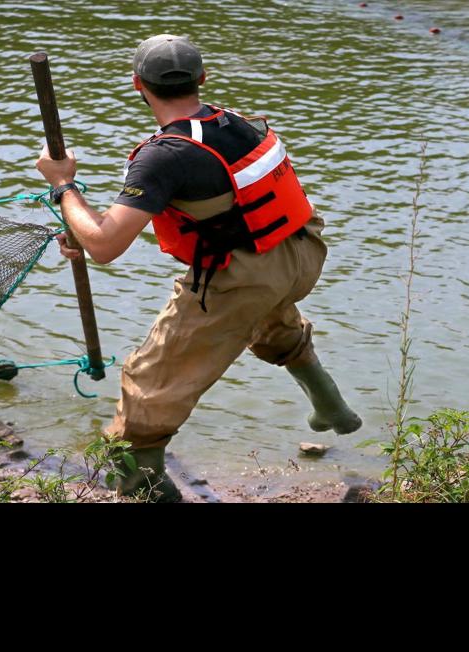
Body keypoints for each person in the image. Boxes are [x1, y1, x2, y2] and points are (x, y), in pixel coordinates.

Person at [34, 34, 360, 502]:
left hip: (245, 275)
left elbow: (106, 245)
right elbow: (222, 206)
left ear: (136, 84)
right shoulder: (237, 123)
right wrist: (82, 230)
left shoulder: (165, 155)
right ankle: (330, 403)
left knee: (148, 381)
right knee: (266, 310)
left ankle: (143, 486)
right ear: (202, 79)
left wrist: (64, 185)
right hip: (299, 256)